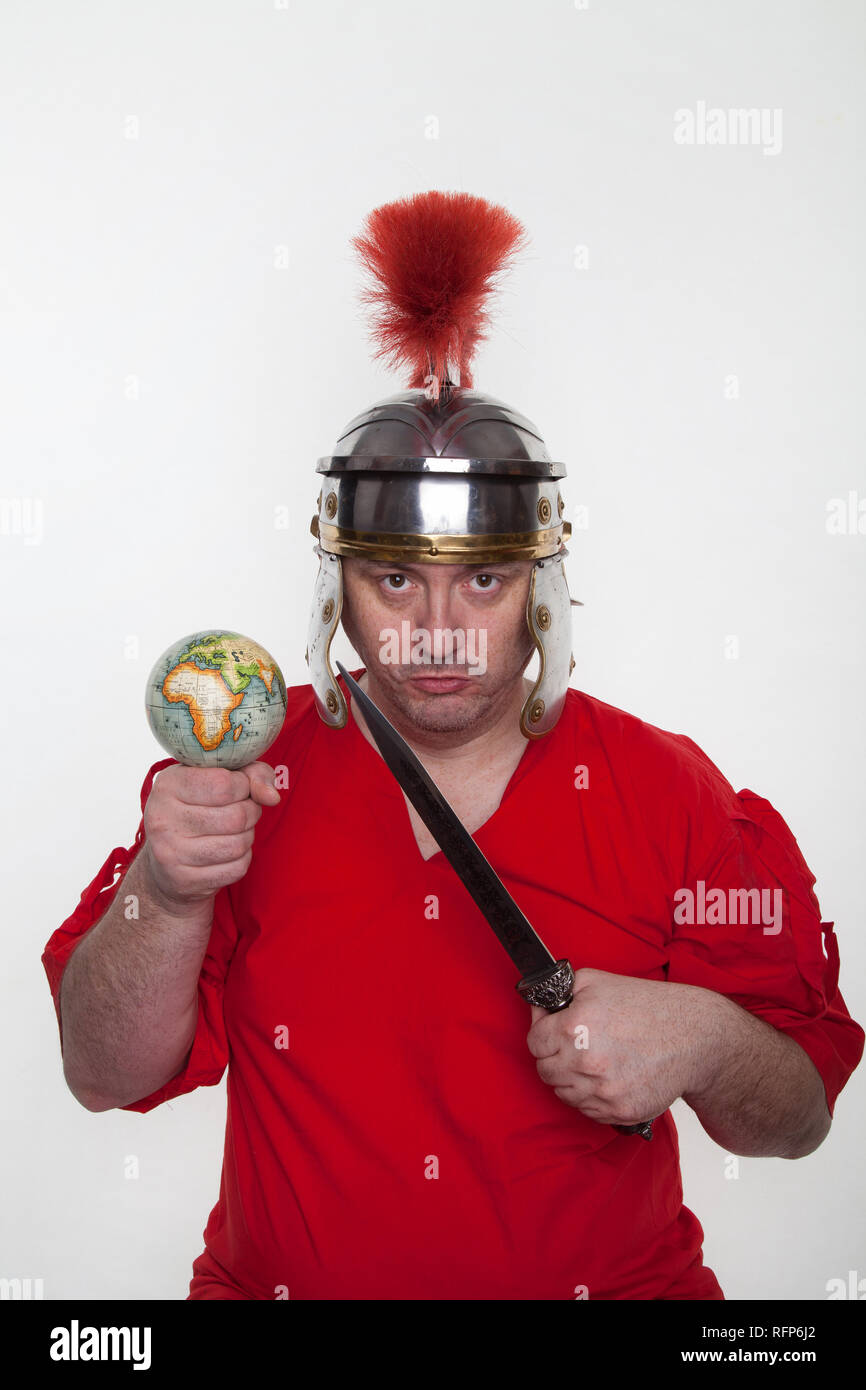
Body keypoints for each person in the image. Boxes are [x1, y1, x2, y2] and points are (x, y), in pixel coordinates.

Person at [43, 192, 863, 1300]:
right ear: (336, 584)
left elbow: (797, 1123)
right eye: (393, 580)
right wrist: (170, 889)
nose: (435, 629)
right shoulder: (234, 776)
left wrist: (709, 1037)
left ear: (542, 588)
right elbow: (101, 1076)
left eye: (482, 579)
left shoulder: (668, 792)